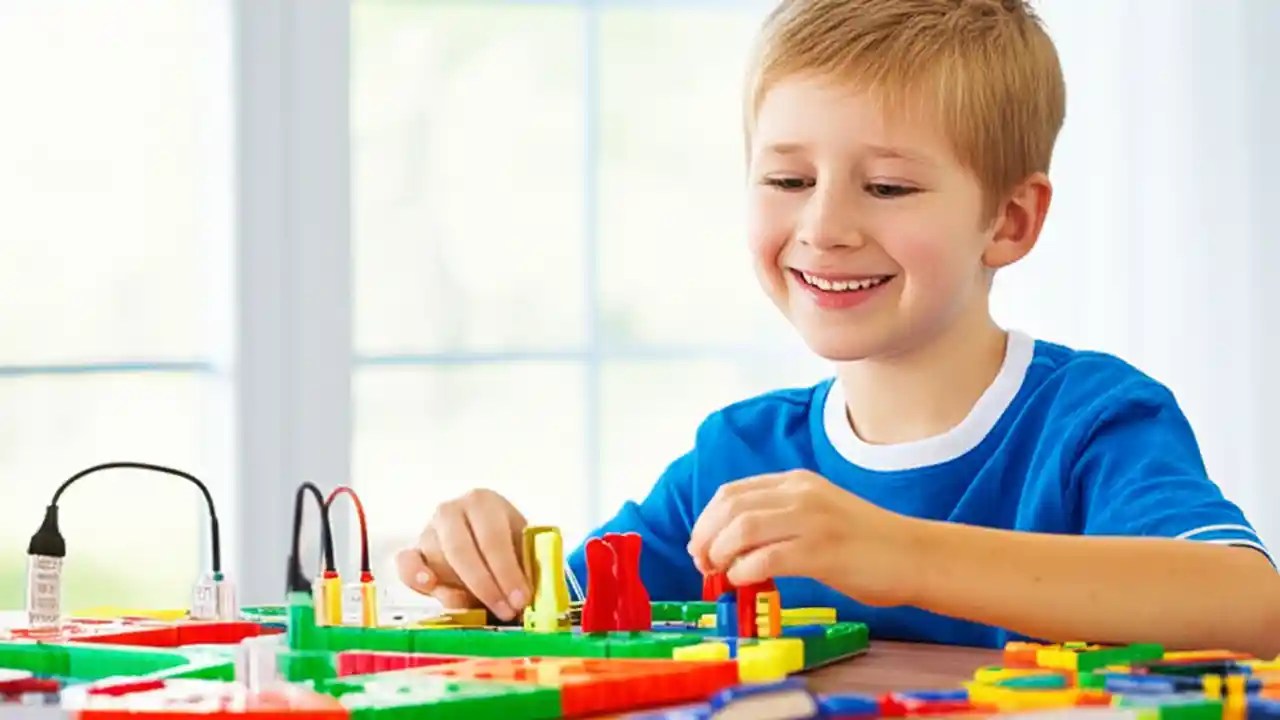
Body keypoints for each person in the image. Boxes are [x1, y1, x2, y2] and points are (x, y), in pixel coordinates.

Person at [395, 0, 1280, 655]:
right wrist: (495, 565)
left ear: (1008, 221)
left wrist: (894, 552)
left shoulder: (1092, 422)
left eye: (887, 187)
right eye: (787, 181)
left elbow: (1251, 608)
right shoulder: (735, 457)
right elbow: (574, 620)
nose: (824, 227)